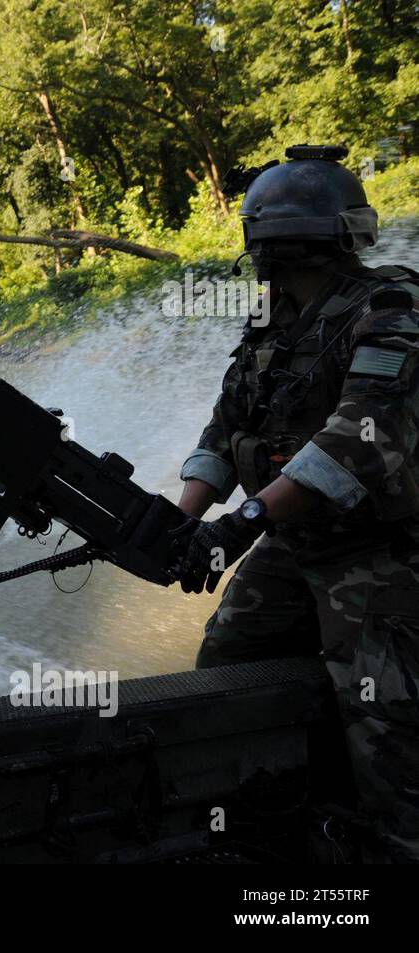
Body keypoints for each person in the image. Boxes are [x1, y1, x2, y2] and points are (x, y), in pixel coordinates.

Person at [173, 145, 419, 862]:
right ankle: (274, 821)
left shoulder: (392, 307)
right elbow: (225, 431)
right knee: (226, 663)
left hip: (382, 553)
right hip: (296, 544)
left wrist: (244, 522)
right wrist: (182, 523)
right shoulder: (271, 322)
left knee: (387, 723)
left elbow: (357, 442)